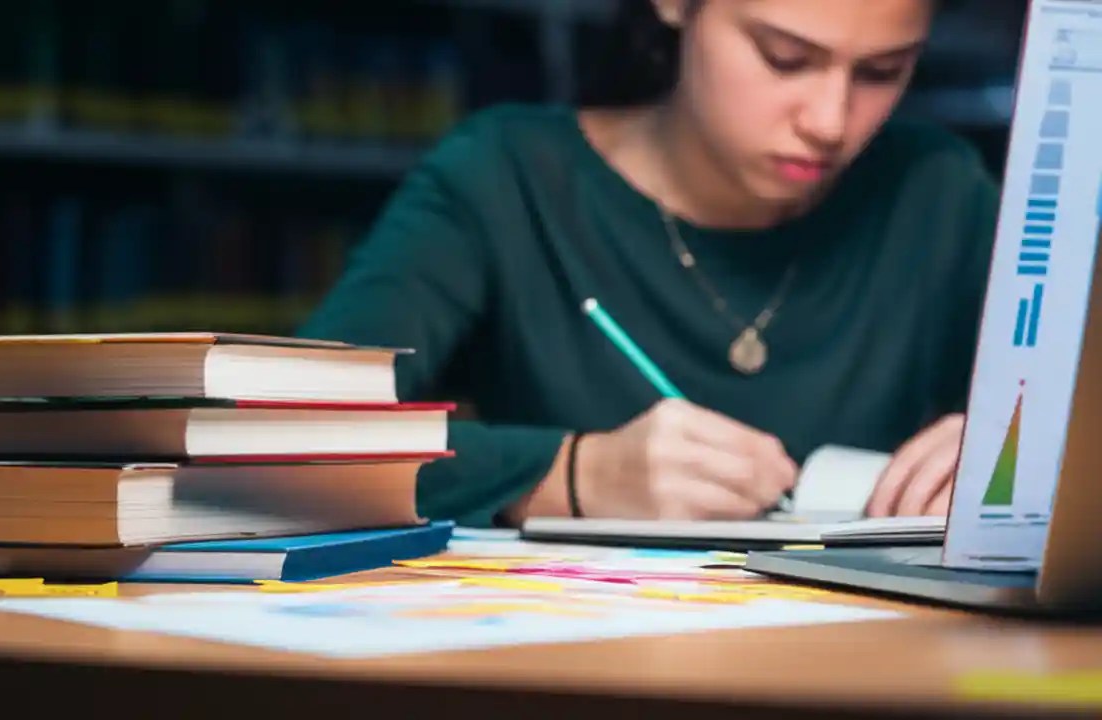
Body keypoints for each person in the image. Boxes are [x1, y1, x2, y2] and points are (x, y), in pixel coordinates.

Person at [296, 0, 998, 528]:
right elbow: (285, 435)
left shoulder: (938, 192)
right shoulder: (506, 180)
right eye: (784, 57)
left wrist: (1022, 459)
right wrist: (570, 476)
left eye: (883, 72)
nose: (830, 121)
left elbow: (1053, 442)